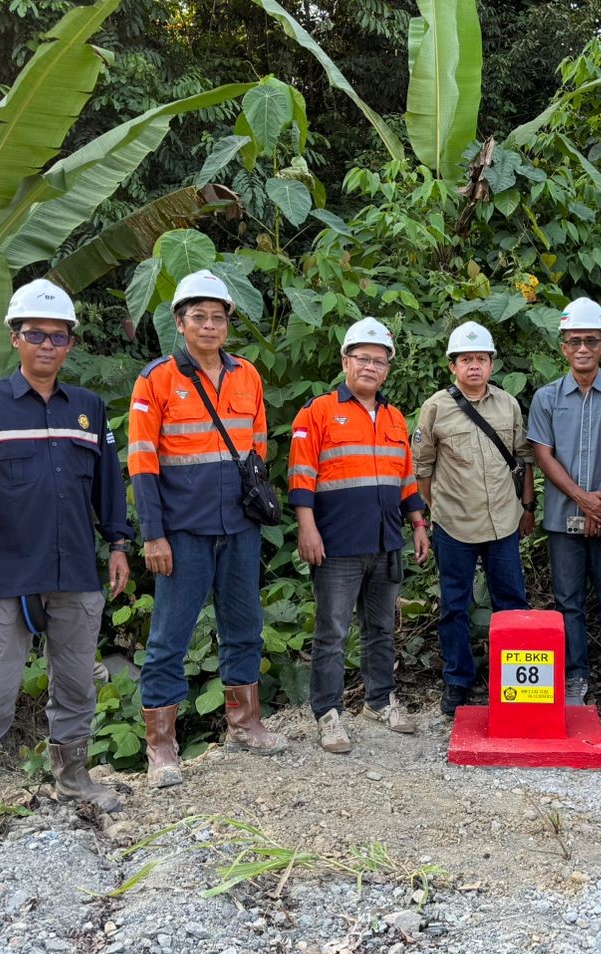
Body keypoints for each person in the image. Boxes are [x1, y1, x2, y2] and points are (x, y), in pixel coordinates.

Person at [0, 279, 131, 824]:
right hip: (7, 571)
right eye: (36, 334)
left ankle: (73, 777)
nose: (48, 344)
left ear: (70, 344)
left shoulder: (88, 409)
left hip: (75, 569)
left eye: (59, 336)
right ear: (15, 338)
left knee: (74, 679)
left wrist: (118, 543)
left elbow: (108, 485)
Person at [127, 271, 284, 790]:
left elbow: (257, 450)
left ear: (227, 323)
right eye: (200, 316)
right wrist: (153, 534)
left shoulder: (249, 376)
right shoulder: (156, 380)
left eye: (218, 317)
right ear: (180, 322)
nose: (210, 325)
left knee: (245, 627)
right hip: (183, 531)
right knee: (169, 637)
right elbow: (143, 463)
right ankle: (162, 747)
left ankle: (245, 723)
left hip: (239, 526)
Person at [289, 318, 430, 753]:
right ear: (346, 361)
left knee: (381, 628)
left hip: (386, 541)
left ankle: (378, 700)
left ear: (388, 368)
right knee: (331, 631)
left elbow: (406, 478)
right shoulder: (317, 412)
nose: (371, 366)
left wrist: (419, 524)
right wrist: (307, 528)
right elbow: (301, 475)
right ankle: (327, 713)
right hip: (337, 544)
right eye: (363, 358)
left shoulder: (392, 417)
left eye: (379, 360)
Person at [412, 322, 536, 718]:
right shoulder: (435, 407)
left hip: (503, 522)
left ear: (491, 363)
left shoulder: (508, 405)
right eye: (466, 360)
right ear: (453, 366)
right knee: (454, 606)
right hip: (455, 526)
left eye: (480, 359)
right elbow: (423, 468)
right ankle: (458, 680)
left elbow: (524, 459)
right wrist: (436, 513)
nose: (474, 367)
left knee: (512, 603)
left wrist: (528, 507)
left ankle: (515, 681)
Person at [527, 298, 601, 715]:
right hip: (562, 517)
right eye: (575, 341)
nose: (583, 348)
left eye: (591, 340)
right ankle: (575, 676)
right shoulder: (547, 397)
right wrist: (582, 500)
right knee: (568, 601)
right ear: (564, 347)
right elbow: (543, 455)